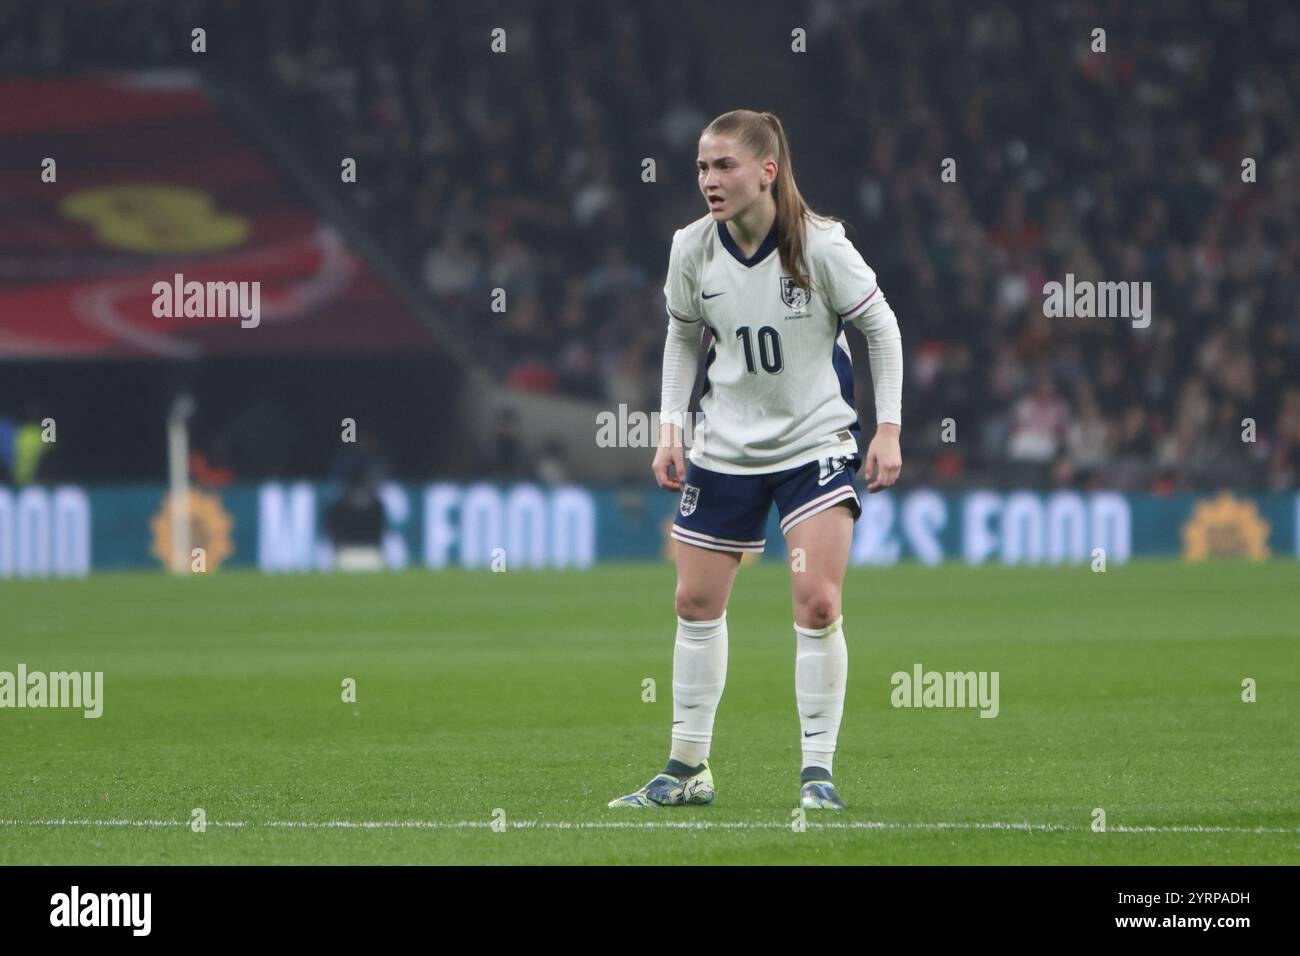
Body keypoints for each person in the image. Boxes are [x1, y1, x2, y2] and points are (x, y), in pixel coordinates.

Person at [609, 110, 903, 811]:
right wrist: (670, 428)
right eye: (703, 167)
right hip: (726, 446)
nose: (709, 180)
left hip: (814, 444)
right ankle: (686, 771)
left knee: (819, 600)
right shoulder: (692, 248)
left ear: (767, 171)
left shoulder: (821, 245)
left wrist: (886, 429)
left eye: (724, 166)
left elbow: (880, 325)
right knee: (694, 600)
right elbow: (683, 338)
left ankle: (817, 775)